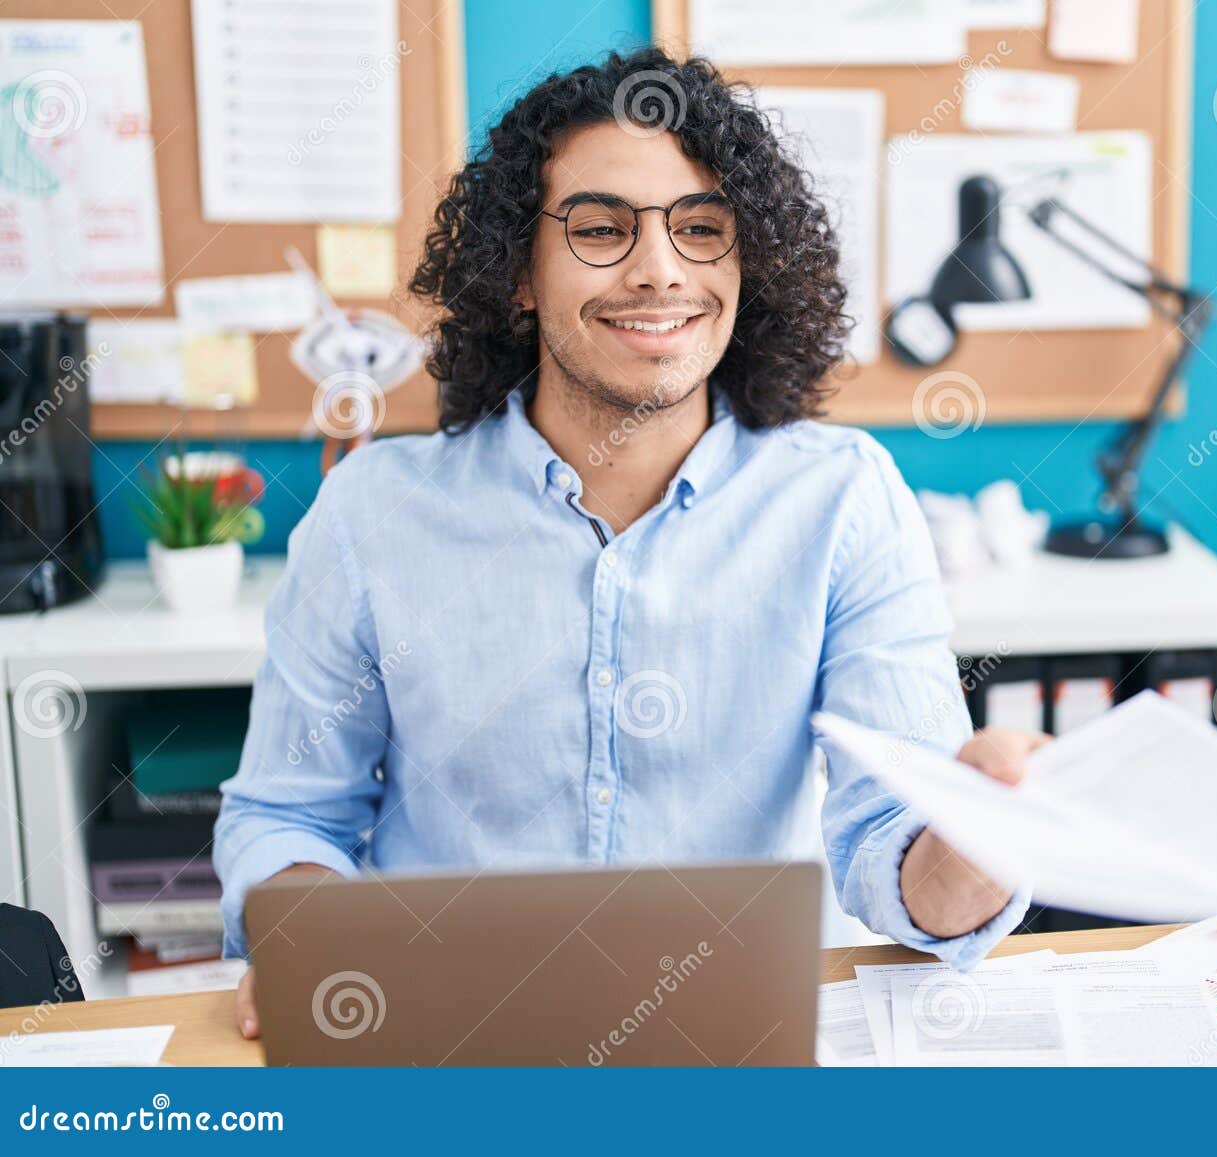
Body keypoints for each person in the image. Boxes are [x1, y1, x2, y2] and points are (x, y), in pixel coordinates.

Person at [216, 47, 1040, 1040]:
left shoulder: (841, 497)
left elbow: (891, 846)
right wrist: (309, 929)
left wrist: (974, 839)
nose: (660, 268)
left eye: (700, 229)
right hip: (444, 1036)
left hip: (738, 1041)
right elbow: (291, 812)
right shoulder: (373, 515)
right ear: (519, 272)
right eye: (602, 229)